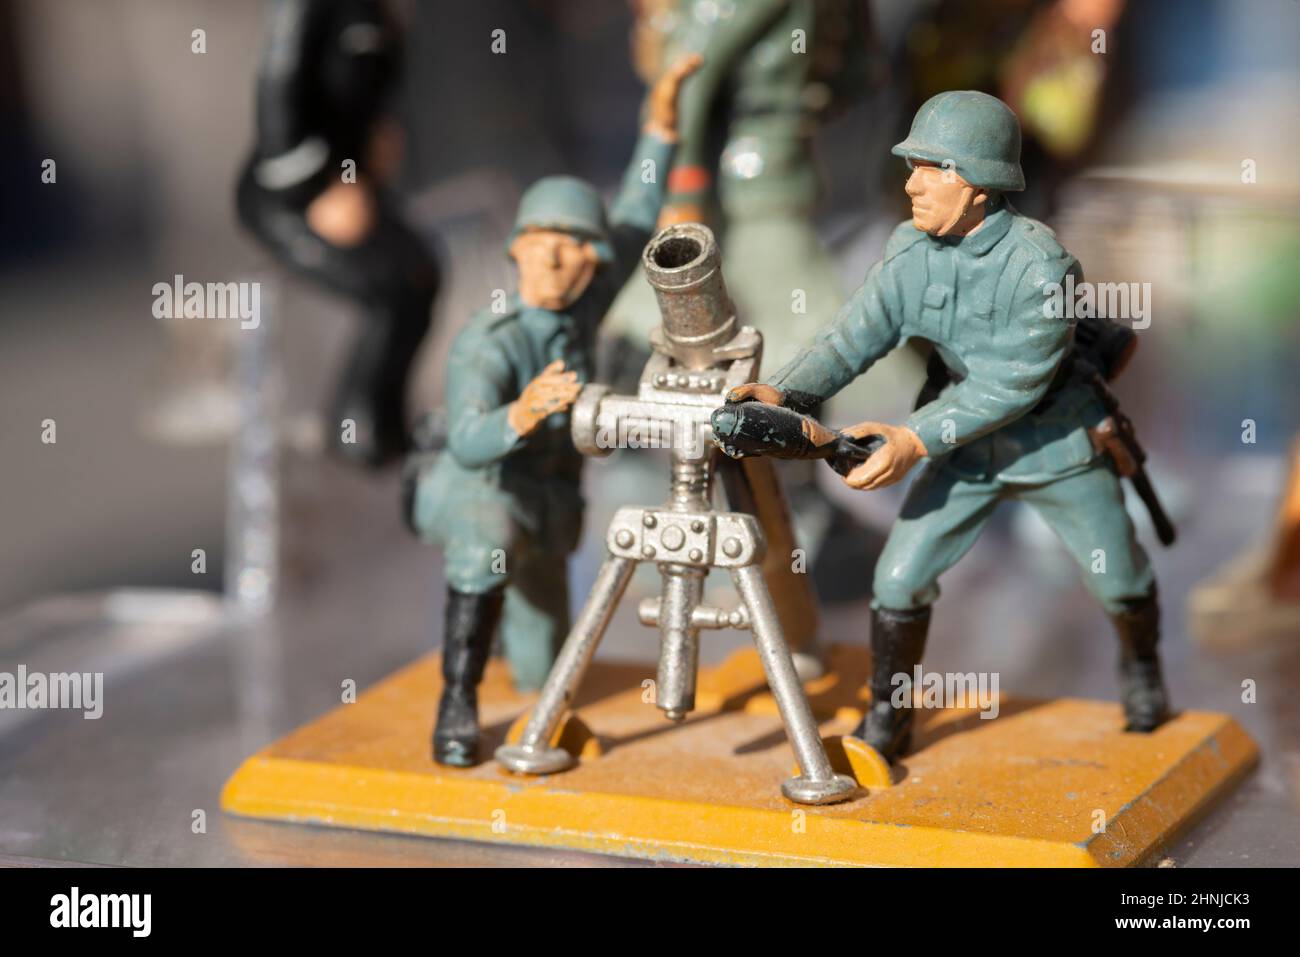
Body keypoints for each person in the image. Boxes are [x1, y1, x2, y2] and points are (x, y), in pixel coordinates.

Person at [729, 90, 1168, 761]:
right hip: (963, 450)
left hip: (1057, 447)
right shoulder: (911, 250)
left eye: (934, 167)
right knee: (897, 580)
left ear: (981, 184)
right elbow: (852, 337)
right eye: (913, 165)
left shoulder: (1039, 267)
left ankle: (1142, 674)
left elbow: (1013, 382)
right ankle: (888, 715)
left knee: (1119, 576)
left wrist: (913, 438)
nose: (913, 182)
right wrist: (786, 392)